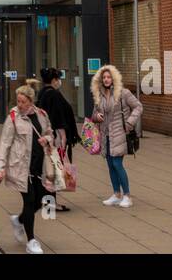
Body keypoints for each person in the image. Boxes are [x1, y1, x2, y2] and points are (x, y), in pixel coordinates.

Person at [0, 84, 54, 254]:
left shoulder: (42, 115)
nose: (19, 104)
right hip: (21, 168)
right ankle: (31, 241)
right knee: (29, 202)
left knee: (43, 200)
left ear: (31, 101)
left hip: (40, 167)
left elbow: (51, 133)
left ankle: (18, 220)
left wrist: (47, 139)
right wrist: (0, 167)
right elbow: (4, 144)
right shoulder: (13, 117)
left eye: (23, 101)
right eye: (18, 101)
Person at [91, 64, 142, 208]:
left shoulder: (123, 93)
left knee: (117, 164)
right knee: (110, 165)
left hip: (120, 133)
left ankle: (127, 196)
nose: (106, 80)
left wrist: (130, 123)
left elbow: (138, 106)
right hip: (105, 135)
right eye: (104, 77)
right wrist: (97, 116)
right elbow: (94, 114)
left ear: (114, 79)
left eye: (109, 77)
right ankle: (116, 194)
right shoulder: (99, 95)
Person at [38, 68, 79, 211]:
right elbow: (57, 117)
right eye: (58, 79)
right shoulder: (53, 94)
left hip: (47, 136)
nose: (60, 82)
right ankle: (50, 203)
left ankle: (48, 200)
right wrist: (63, 136)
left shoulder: (43, 93)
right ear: (54, 80)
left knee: (50, 169)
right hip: (54, 137)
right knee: (54, 169)